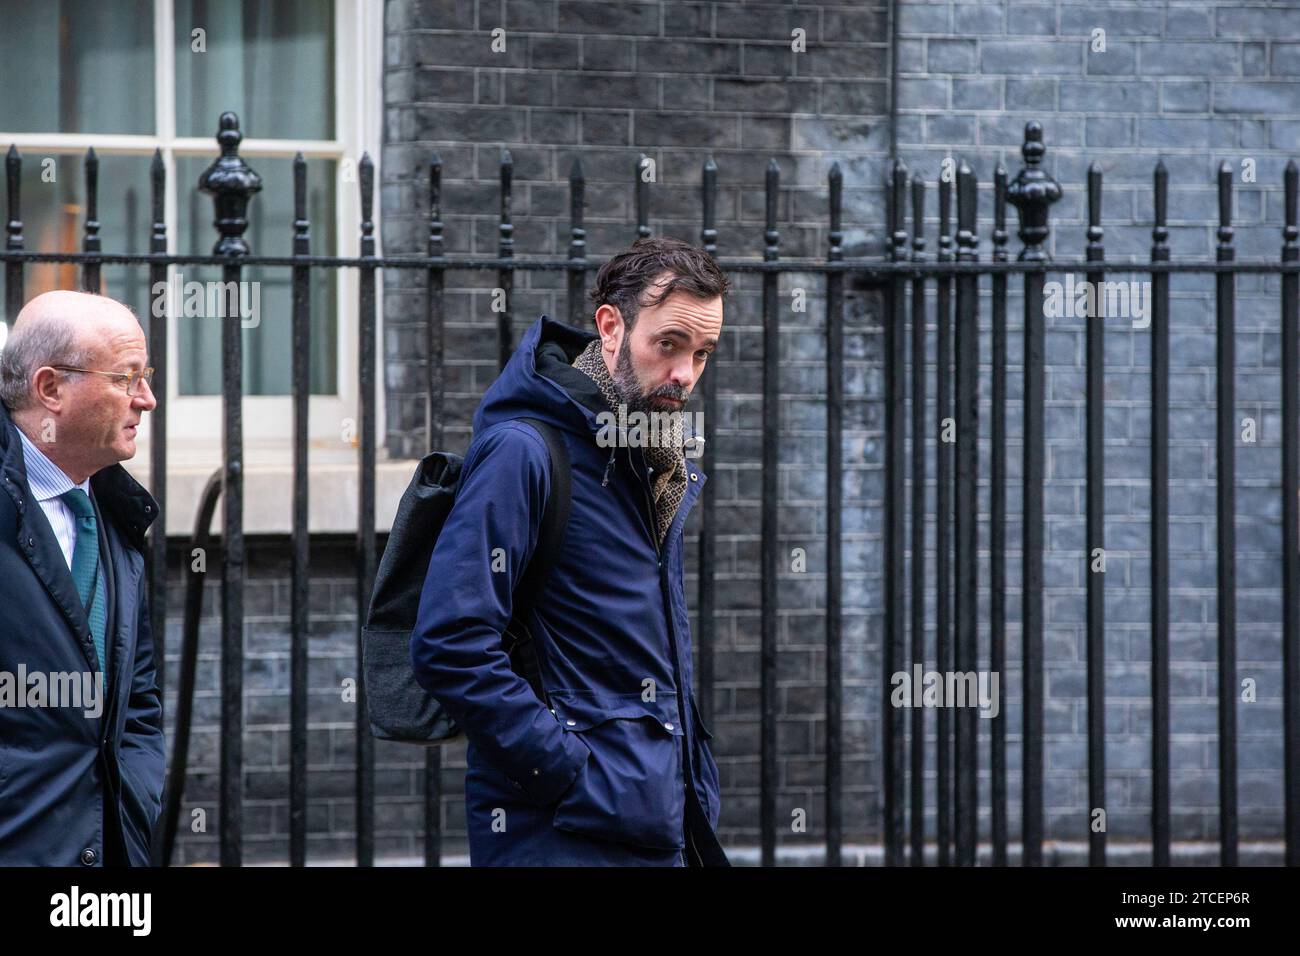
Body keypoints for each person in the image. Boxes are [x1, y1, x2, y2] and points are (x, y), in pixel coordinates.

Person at [411, 237, 731, 865]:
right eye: (668, 344)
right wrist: (572, 773)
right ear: (610, 328)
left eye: (703, 354)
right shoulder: (524, 453)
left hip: (653, 822)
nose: (685, 375)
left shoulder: (652, 463)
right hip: (560, 833)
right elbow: (449, 642)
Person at [0, 290, 165, 866]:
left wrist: (135, 807)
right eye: (125, 379)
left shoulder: (115, 512)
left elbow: (138, 703)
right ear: (50, 389)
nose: (146, 400)